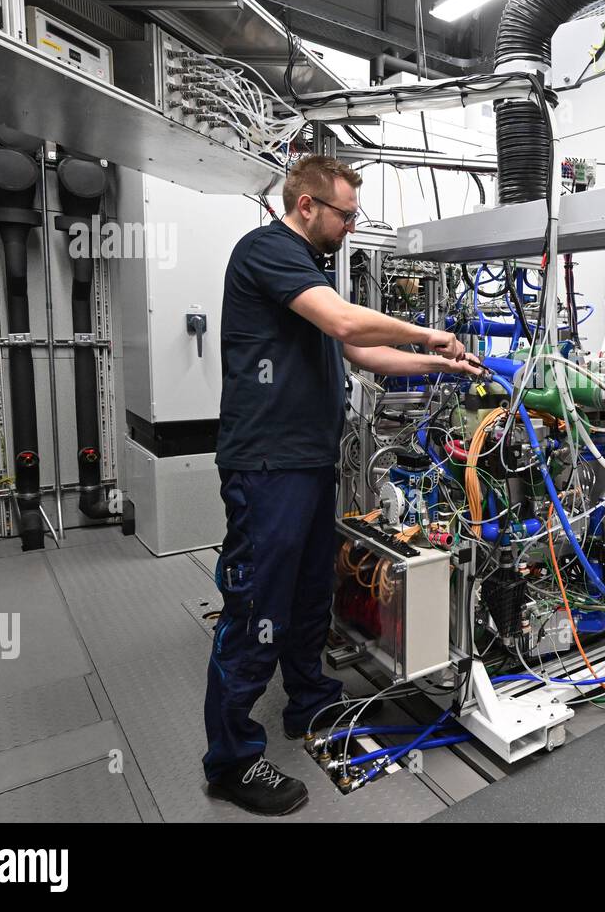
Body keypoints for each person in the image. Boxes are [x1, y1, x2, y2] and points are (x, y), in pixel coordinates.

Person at [203, 155, 482, 815]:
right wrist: (432, 330)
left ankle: (308, 699)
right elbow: (350, 325)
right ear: (305, 206)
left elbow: (359, 352)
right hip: (266, 466)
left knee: (307, 596)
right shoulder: (266, 250)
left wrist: (440, 362)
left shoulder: (309, 269)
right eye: (345, 213)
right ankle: (232, 758)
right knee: (256, 607)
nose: (351, 224)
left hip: (305, 464)